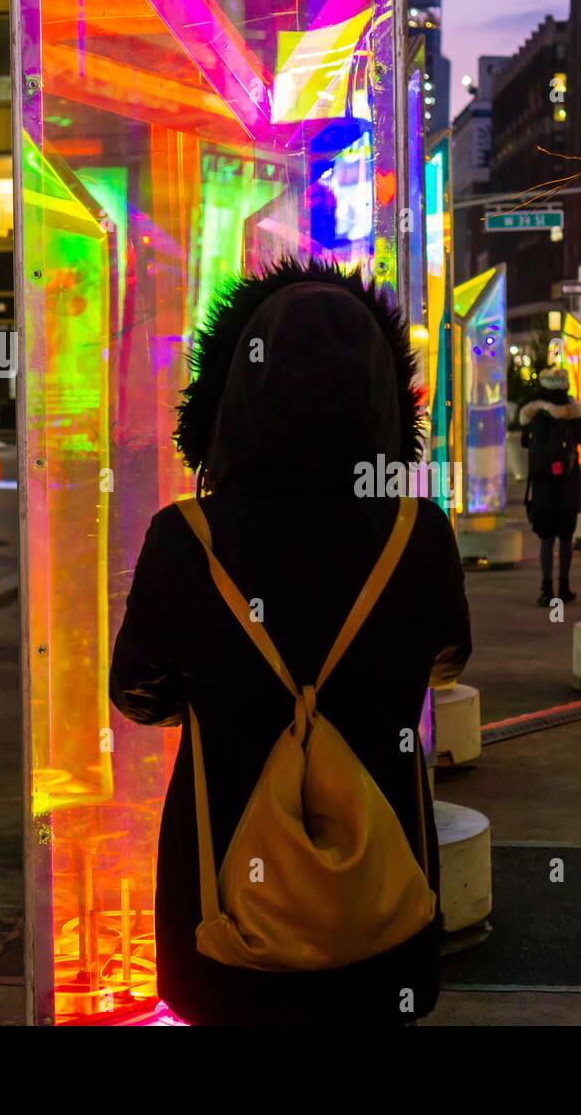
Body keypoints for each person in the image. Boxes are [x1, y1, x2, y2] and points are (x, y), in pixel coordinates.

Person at [109, 259, 472, 1026]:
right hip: (384, 911)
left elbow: (135, 691)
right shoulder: (420, 534)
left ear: (239, 394)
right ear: (381, 400)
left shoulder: (187, 538)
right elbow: (447, 658)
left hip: (226, 922)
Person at [519, 366, 581, 606]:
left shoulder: (534, 413)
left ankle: (546, 589)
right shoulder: (571, 413)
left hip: (542, 486)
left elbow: (524, 442)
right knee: (565, 538)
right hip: (567, 485)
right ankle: (564, 586)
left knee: (545, 539)